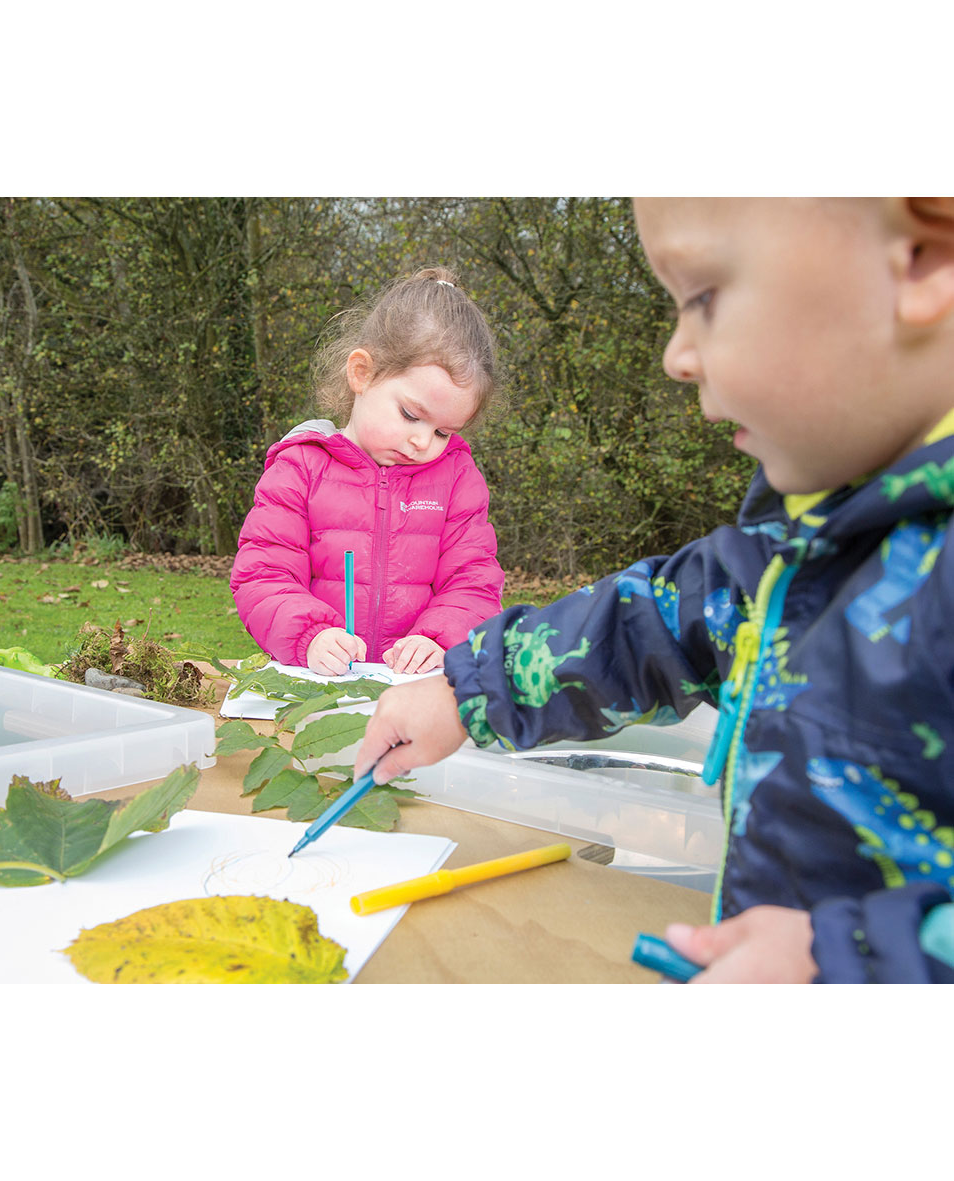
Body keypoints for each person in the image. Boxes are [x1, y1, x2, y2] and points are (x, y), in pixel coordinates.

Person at [354, 199, 954, 984]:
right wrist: (464, 690)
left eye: (702, 296)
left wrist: (849, 959)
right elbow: (645, 626)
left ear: (921, 259)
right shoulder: (792, 543)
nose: (676, 355)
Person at [231, 267, 506, 676]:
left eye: (443, 431)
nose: (422, 442)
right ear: (362, 373)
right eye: (411, 415)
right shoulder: (299, 467)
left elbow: (474, 584)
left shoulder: (457, 479)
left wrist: (439, 639)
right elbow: (263, 574)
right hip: (317, 687)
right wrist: (310, 635)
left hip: (413, 696)